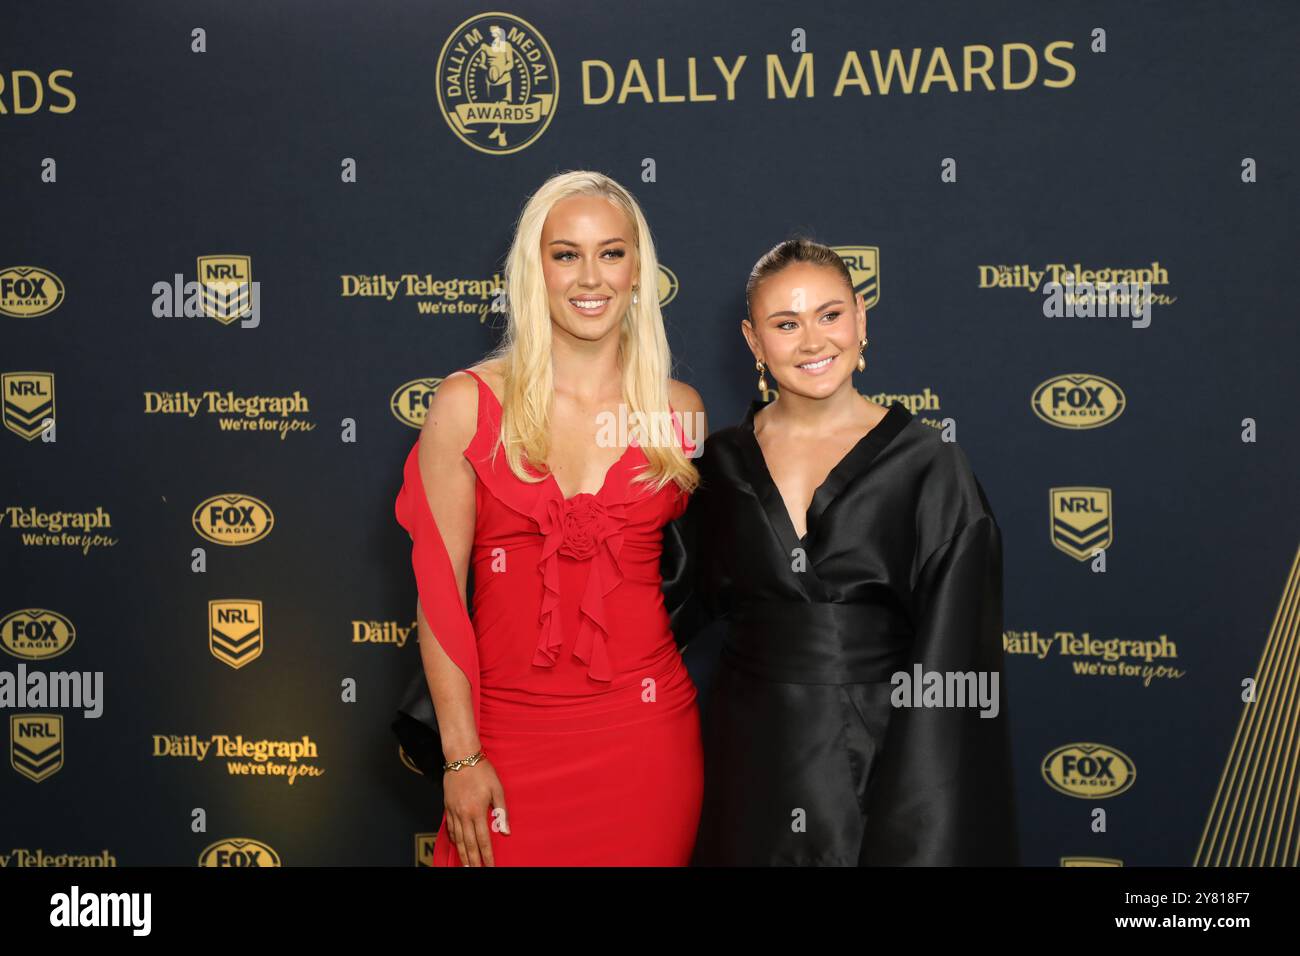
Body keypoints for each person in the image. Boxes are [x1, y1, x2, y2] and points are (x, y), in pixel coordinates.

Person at [664, 237, 1018, 865]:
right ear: (753, 341)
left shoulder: (930, 466)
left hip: (885, 764)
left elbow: (953, 665)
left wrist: (921, 825)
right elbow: (656, 604)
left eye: (830, 315)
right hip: (744, 762)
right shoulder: (716, 462)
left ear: (861, 318)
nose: (812, 342)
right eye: (785, 323)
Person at [391, 171, 707, 866]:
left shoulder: (679, 411)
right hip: (503, 744)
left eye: (611, 253)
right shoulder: (467, 405)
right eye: (565, 253)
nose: (590, 277)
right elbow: (440, 594)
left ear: (637, 270)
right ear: (534, 270)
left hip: (646, 742)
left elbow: (699, 568)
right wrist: (460, 756)